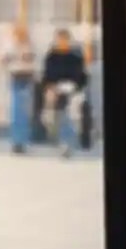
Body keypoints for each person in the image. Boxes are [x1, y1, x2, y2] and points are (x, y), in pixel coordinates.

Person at [41, 28, 88, 158]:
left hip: (72, 90)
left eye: (64, 39)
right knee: (56, 116)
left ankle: (68, 143)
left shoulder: (75, 56)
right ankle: (60, 140)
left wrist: (73, 85)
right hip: (55, 90)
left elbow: (81, 75)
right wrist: (50, 87)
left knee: (69, 115)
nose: (61, 42)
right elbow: (47, 75)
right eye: (59, 39)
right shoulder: (51, 56)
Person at [0, 22, 37, 154]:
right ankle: (16, 141)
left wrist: (23, 55)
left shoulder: (29, 45)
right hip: (16, 76)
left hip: (26, 77)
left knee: (24, 110)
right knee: (16, 110)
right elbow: (3, 60)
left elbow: (31, 60)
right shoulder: (10, 45)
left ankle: (23, 140)